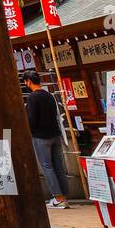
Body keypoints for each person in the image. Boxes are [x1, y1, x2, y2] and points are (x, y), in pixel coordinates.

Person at [23, 70, 69, 209]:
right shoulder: (49, 96)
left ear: (28, 82)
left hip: (41, 136)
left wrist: (28, 132)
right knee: (58, 166)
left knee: (47, 167)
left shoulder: (32, 98)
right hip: (55, 134)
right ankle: (64, 196)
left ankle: (58, 197)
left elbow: (31, 119)